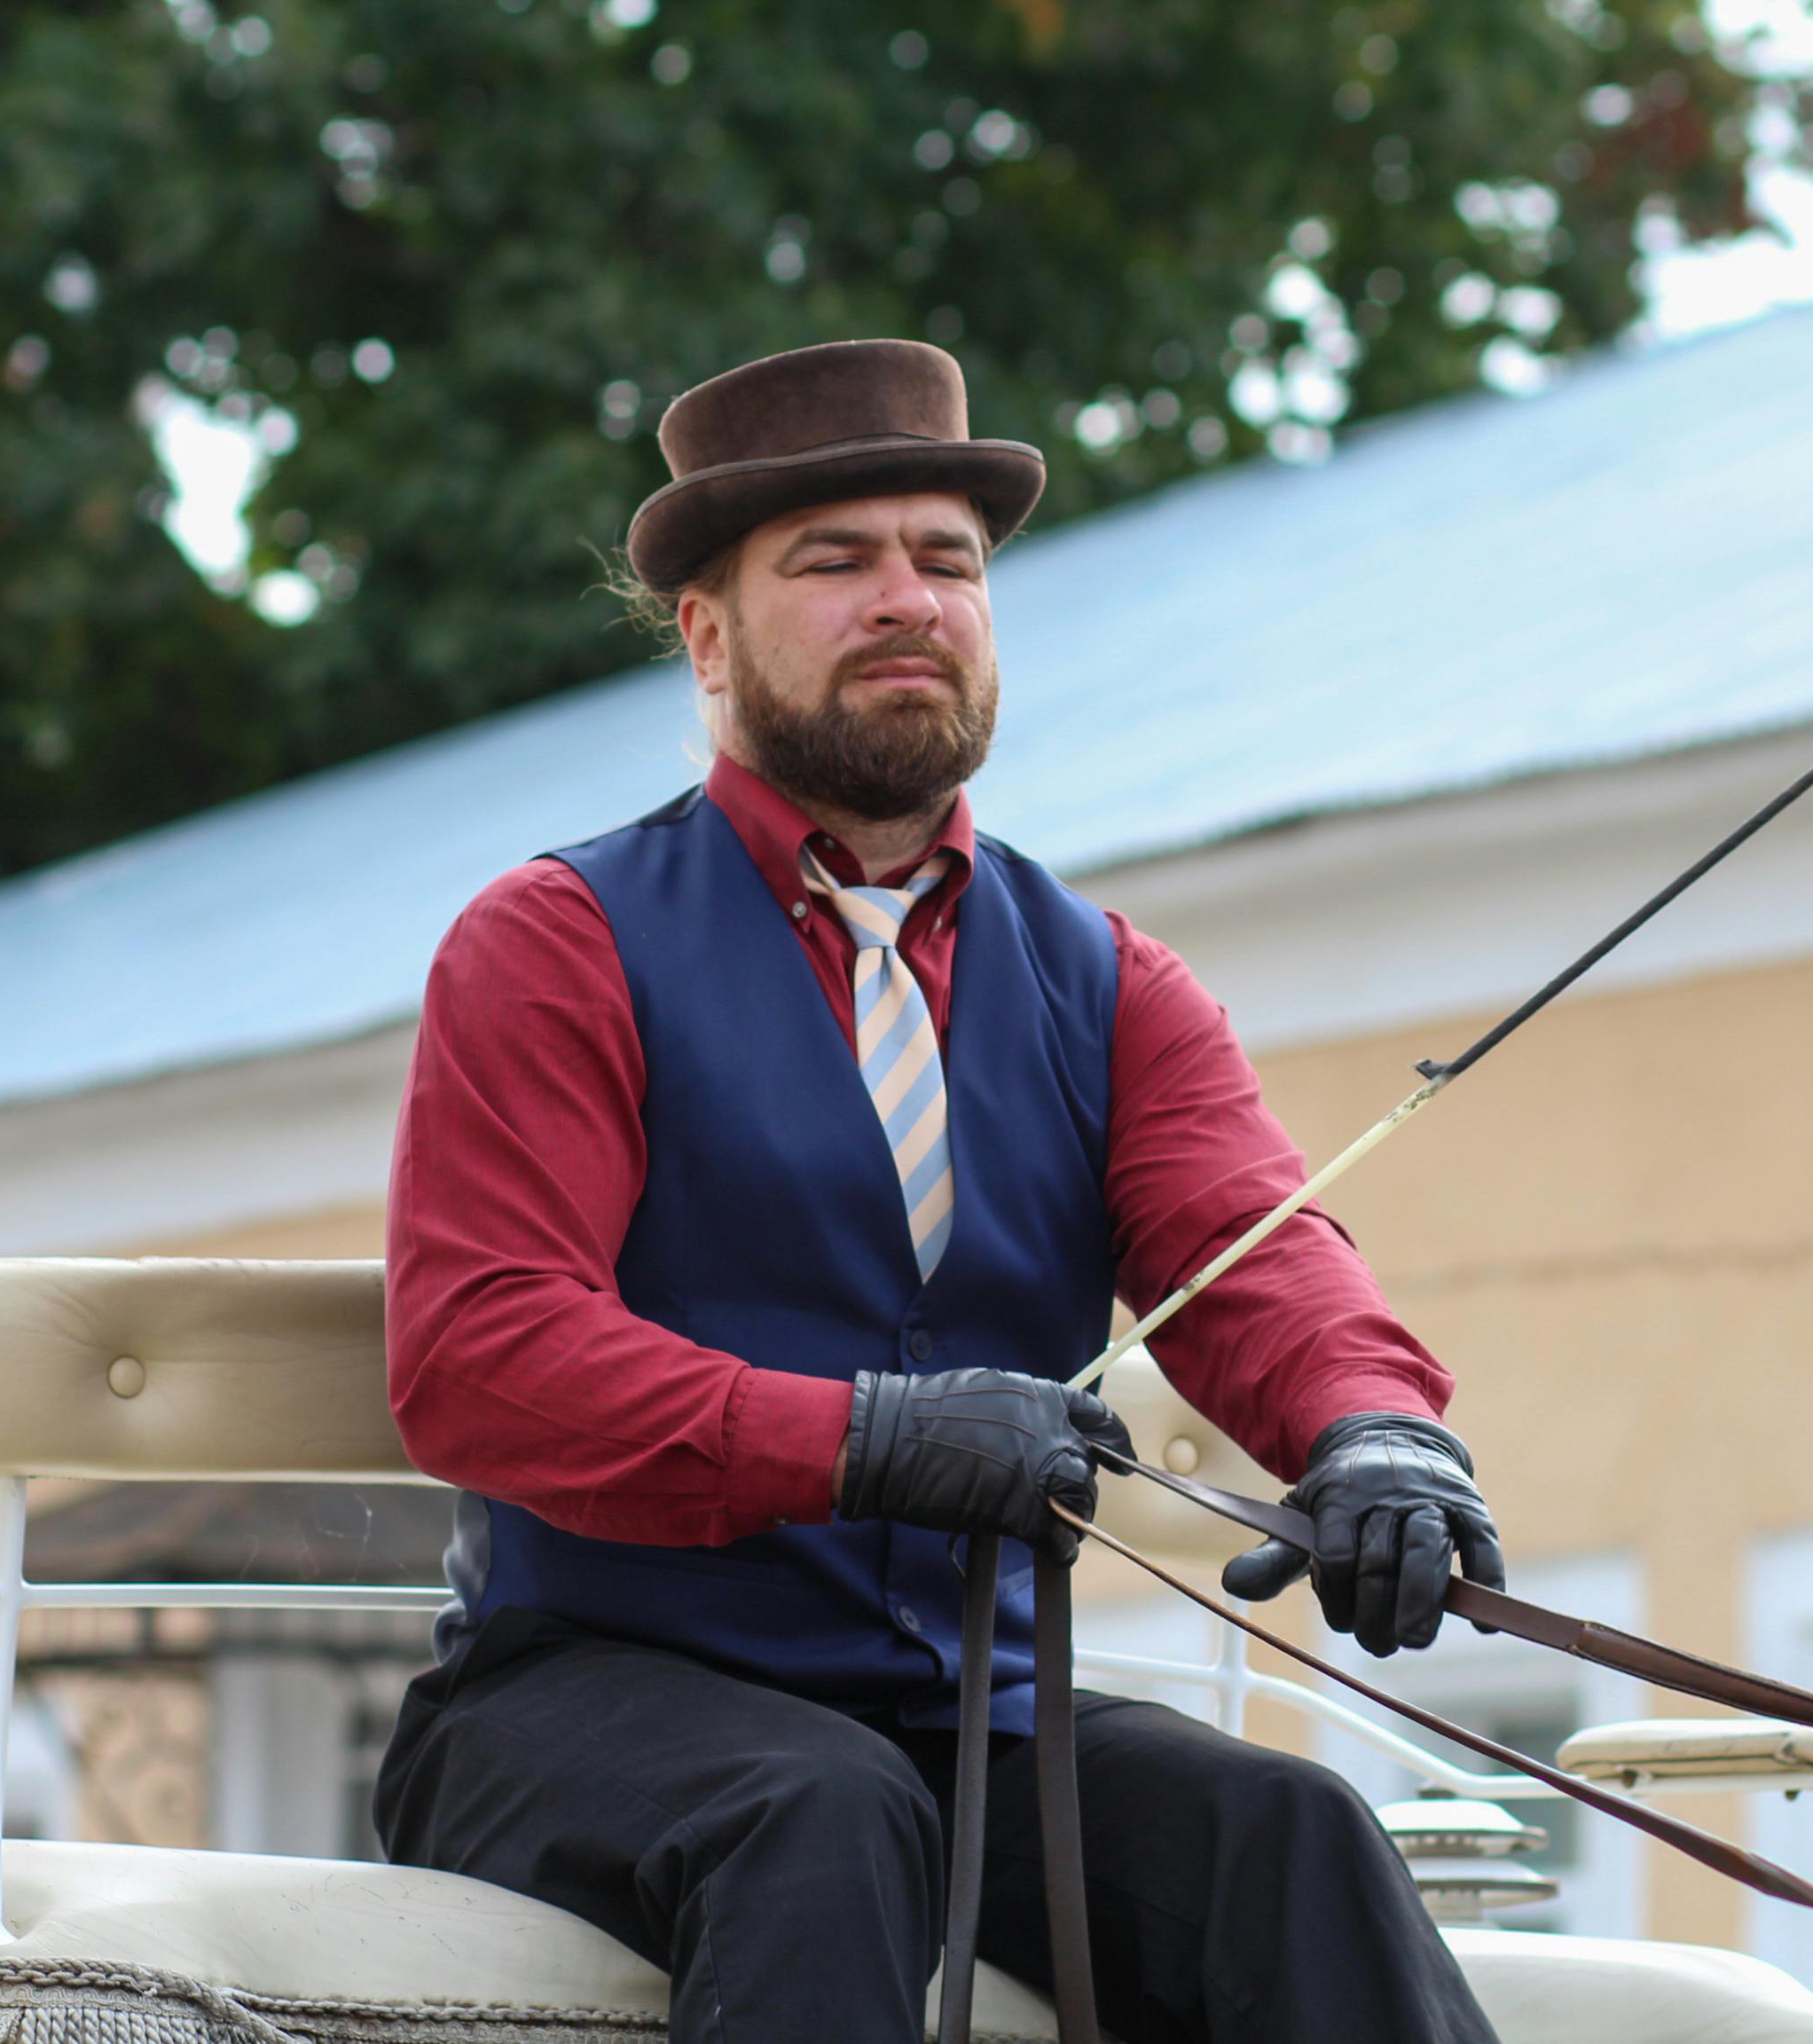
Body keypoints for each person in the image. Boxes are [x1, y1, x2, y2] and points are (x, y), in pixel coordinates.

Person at [375, 338, 1505, 2044]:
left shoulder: (1108, 978)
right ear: (705, 633)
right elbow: (481, 1353)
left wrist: (1376, 1431)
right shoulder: (558, 943)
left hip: (960, 1710)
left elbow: (1256, 1249)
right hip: (581, 1699)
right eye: (833, 564)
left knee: (1296, 1833)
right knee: (821, 1815)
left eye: (947, 560)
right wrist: (858, 1437)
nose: (906, 599)